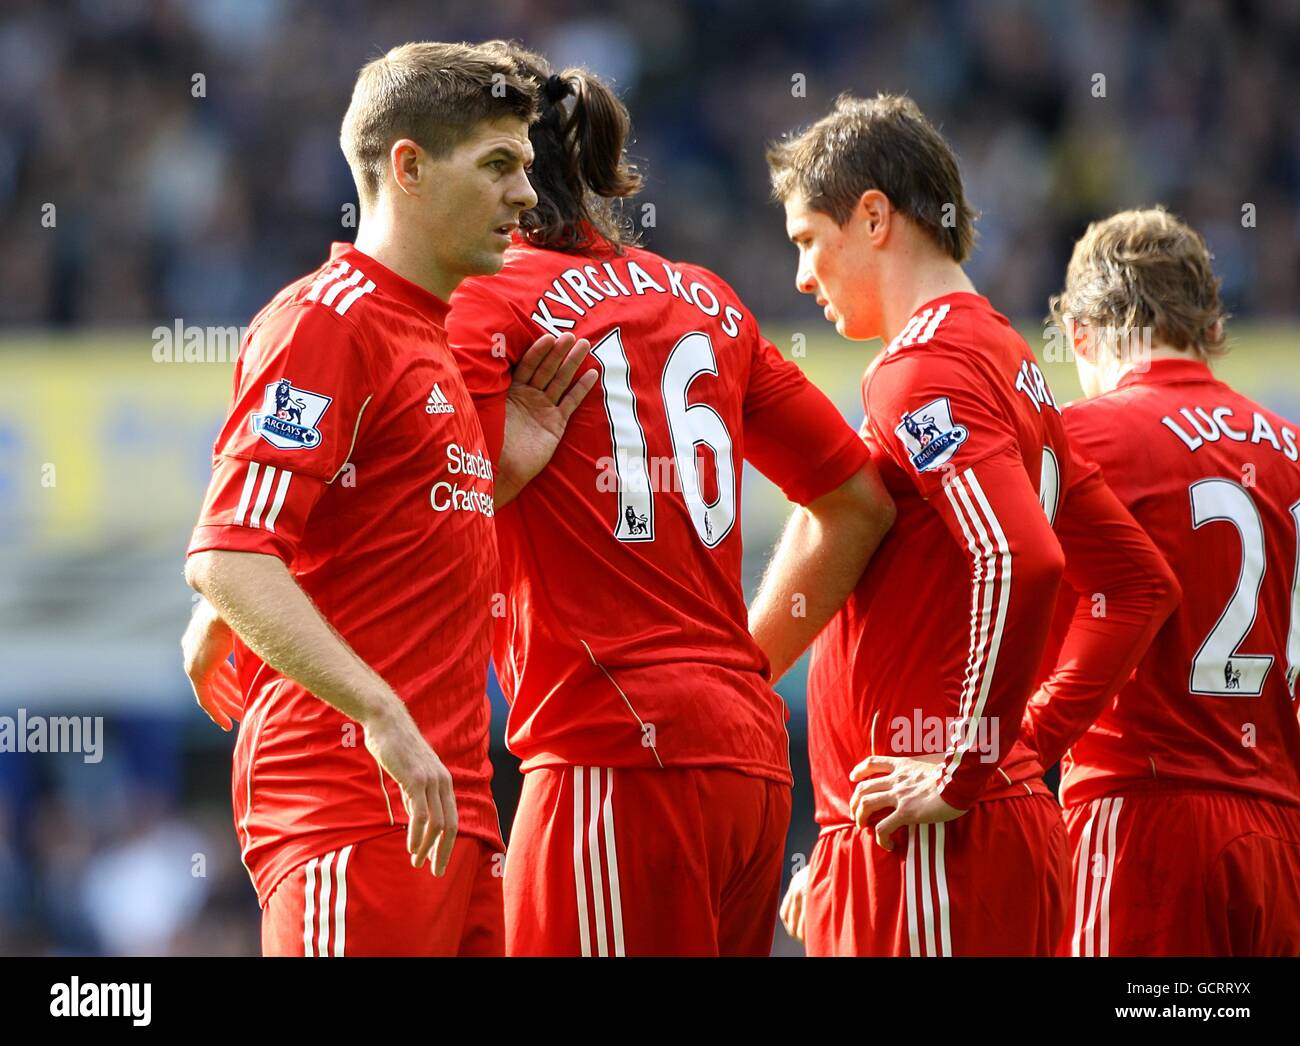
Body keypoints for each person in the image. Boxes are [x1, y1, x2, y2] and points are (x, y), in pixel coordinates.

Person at [445, 45, 896, 956]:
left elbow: (424, 508)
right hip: (747, 763)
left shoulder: (484, 298)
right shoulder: (708, 300)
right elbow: (857, 500)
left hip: (612, 760)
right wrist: (733, 670)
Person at [180, 41, 593, 956]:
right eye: (498, 166)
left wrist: (496, 473)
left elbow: (349, 533)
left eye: (524, 167)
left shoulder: (434, 337)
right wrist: (380, 713)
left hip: (454, 811)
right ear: (406, 168)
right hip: (348, 806)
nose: (526, 196)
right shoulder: (328, 321)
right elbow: (229, 553)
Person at [759, 94, 1180, 955]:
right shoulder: (1006, 358)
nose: (803, 276)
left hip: (933, 849)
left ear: (874, 216)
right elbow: (1137, 584)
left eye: (808, 239)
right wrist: (1017, 751)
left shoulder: (922, 368)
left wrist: (965, 768)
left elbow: (1019, 558)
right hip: (957, 827)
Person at [1031, 207, 1300, 955]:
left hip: (1140, 817)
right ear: (1211, 329)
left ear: (1079, 333)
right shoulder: (1292, 452)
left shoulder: (1081, 438)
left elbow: (1029, 641)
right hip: (1279, 834)